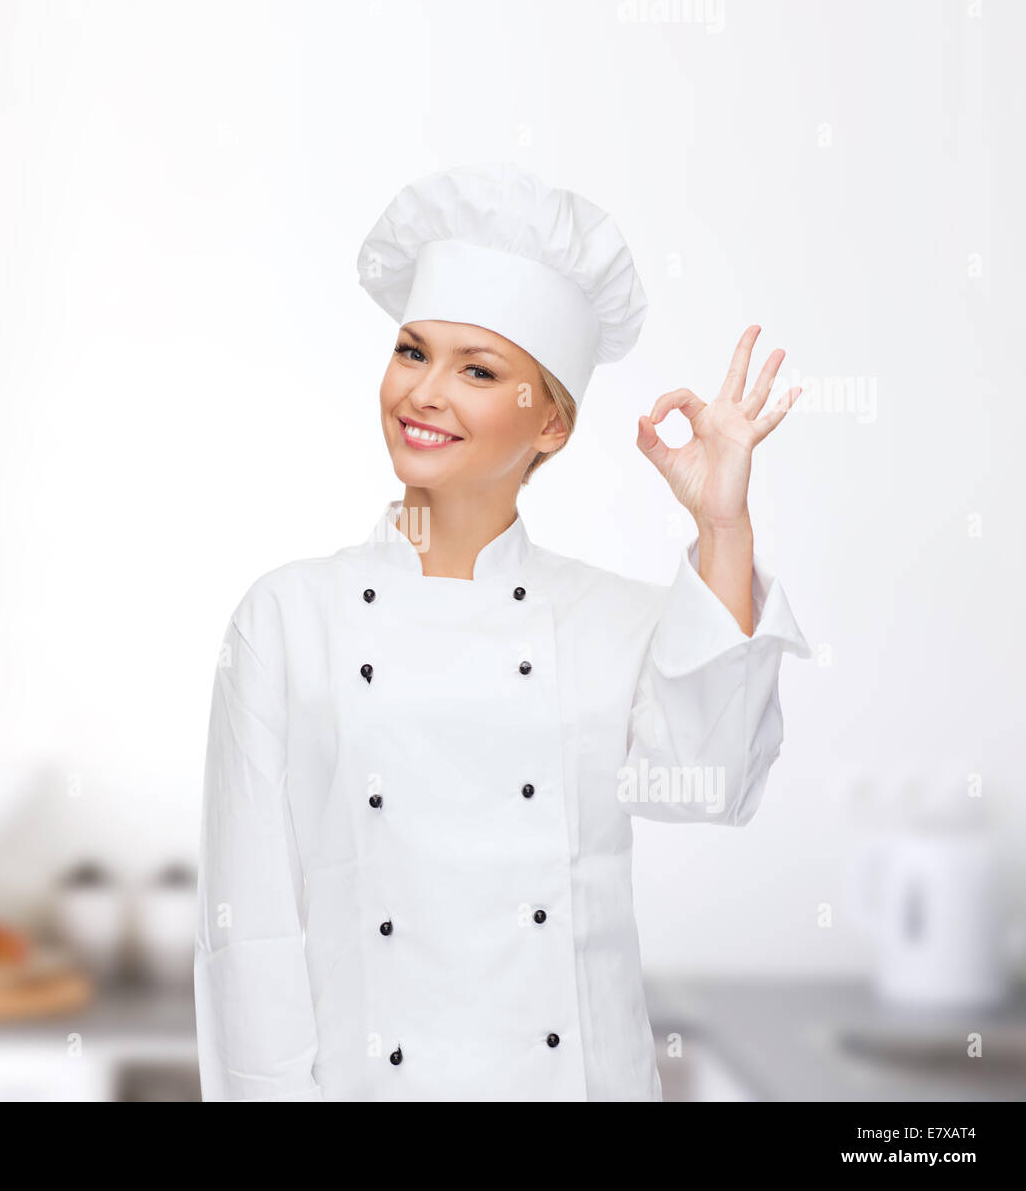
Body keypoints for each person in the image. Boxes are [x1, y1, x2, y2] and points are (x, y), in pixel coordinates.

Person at [193, 161, 809, 1101]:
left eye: (477, 370)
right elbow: (251, 941)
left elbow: (716, 784)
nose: (424, 393)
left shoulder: (614, 621)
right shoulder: (287, 619)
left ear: (551, 423)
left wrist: (722, 527)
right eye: (412, 351)